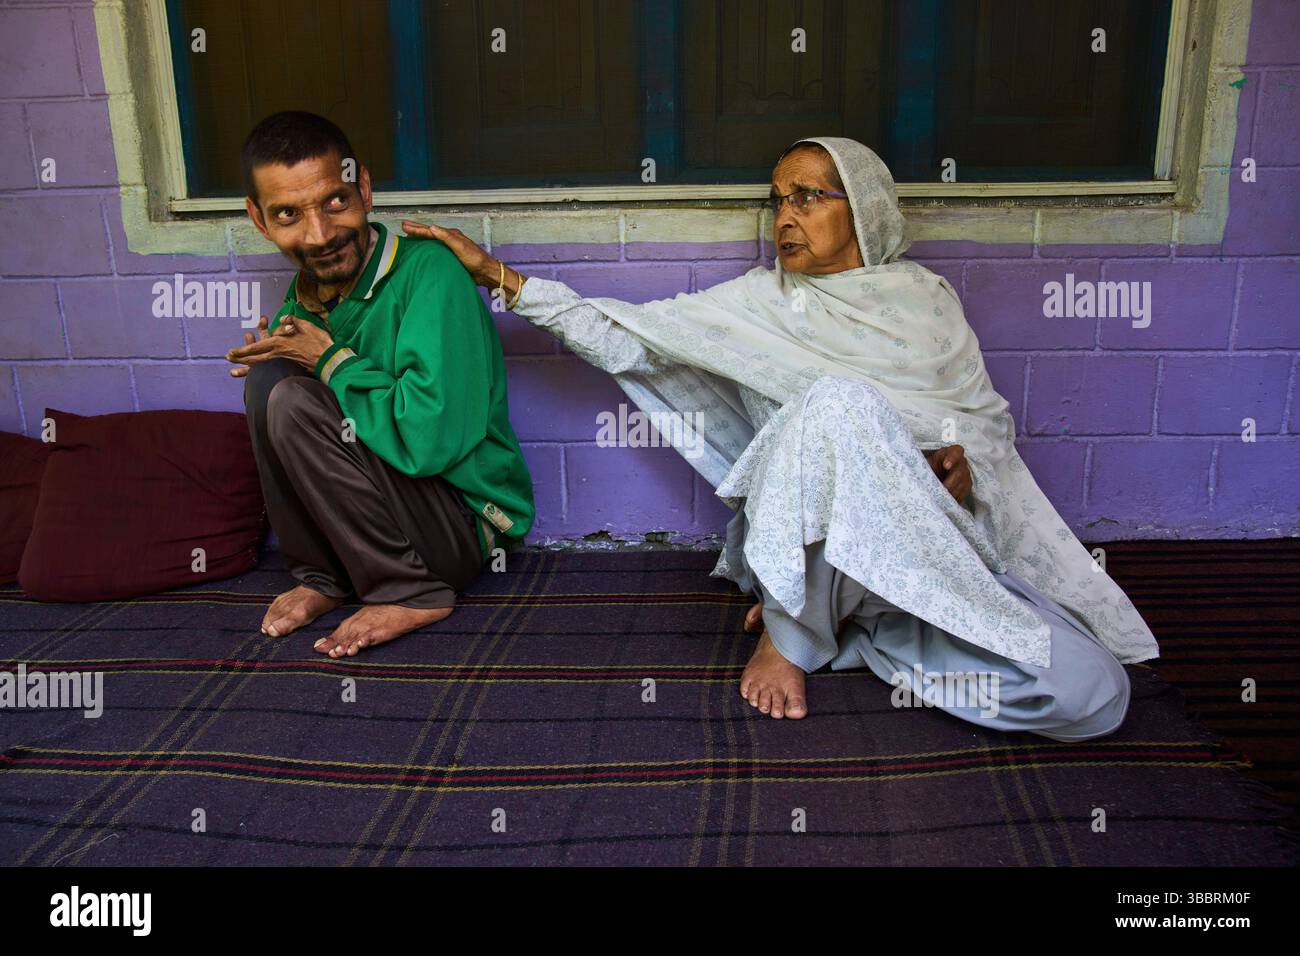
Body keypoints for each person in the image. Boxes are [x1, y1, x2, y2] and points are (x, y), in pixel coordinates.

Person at [401, 136, 1159, 740]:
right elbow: (629, 338)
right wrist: (493, 273)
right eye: (777, 200)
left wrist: (954, 478)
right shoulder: (761, 302)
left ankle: (856, 637)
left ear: (861, 208)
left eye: (807, 197)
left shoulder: (927, 300)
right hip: (819, 551)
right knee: (835, 404)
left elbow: (980, 428)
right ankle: (792, 634)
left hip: (931, 544)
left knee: (1097, 695)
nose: (785, 215)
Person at [225, 111, 534, 657]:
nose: (319, 234)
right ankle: (325, 576)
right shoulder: (306, 294)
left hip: (461, 525)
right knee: (269, 379)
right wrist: (289, 365)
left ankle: (410, 591)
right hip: (376, 528)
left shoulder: (429, 273)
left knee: (294, 391)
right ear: (259, 219)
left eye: (334, 202)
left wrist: (329, 362)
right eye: (289, 214)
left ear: (363, 187)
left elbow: (429, 442)